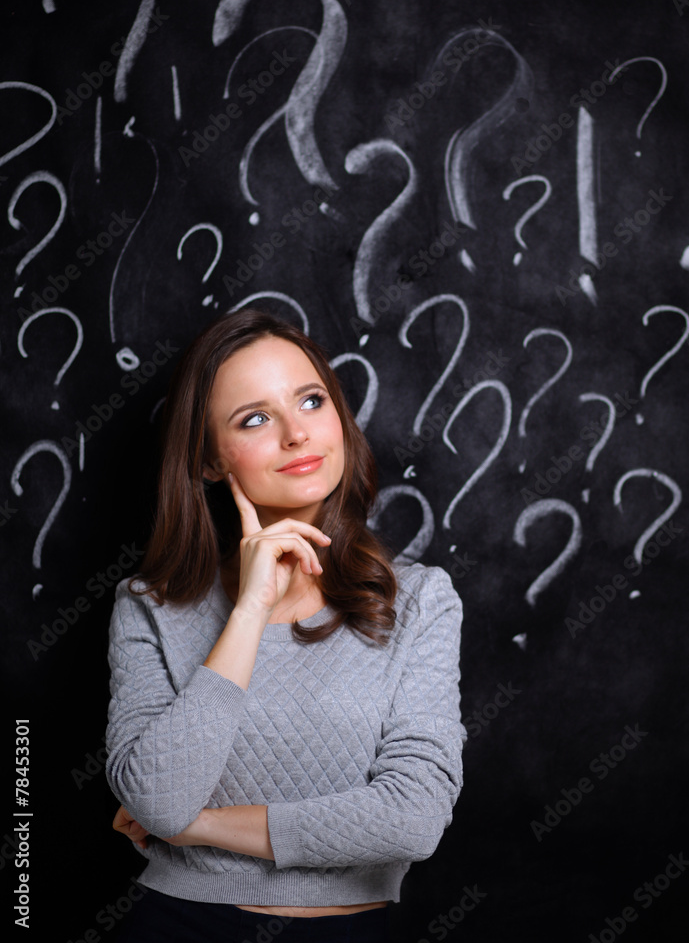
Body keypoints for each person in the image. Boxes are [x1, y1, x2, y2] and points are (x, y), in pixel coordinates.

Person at [105, 308, 465, 942]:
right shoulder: (148, 605)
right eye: (256, 419)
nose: (297, 433)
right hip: (181, 927)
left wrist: (196, 827)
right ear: (211, 460)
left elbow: (414, 819)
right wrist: (249, 612)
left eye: (311, 400)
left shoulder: (420, 600)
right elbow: (157, 797)